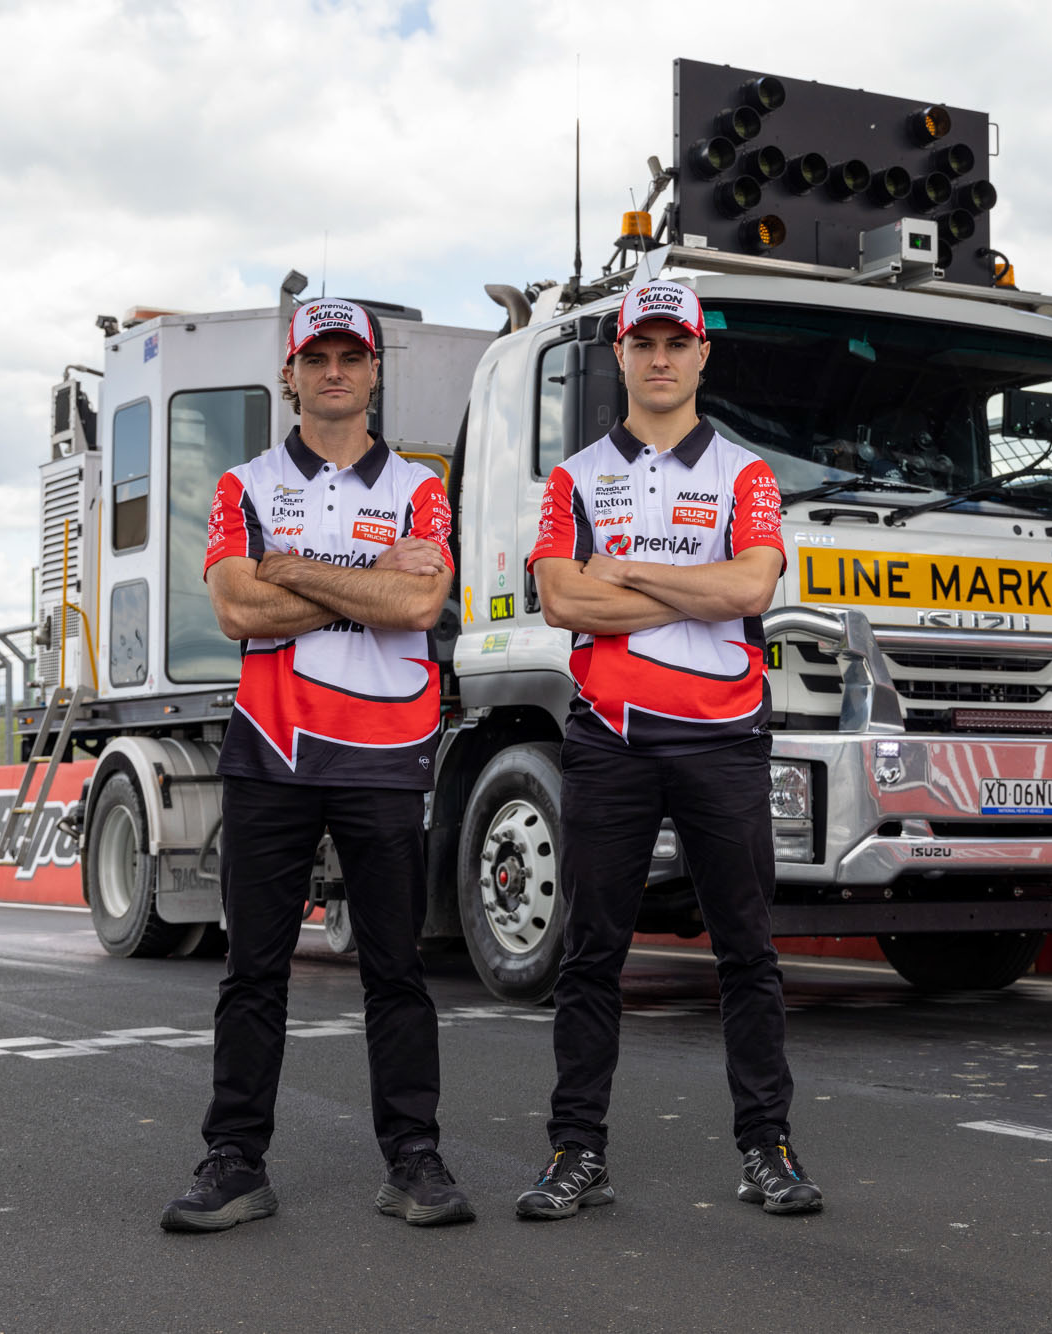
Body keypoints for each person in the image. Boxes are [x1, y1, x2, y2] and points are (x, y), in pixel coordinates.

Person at [161, 297, 471, 1232]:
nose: (334, 370)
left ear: (376, 372)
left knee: (396, 971)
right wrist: (369, 579)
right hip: (275, 752)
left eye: (350, 356)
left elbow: (420, 608)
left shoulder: (421, 487)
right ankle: (235, 1161)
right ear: (290, 375)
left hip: (385, 756)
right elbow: (235, 612)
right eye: (316, 357)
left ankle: (414, 1158)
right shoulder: (240, 484)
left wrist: (291, 565)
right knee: (253, 971)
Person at [517, 279, 822, 1218]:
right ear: (619, 355)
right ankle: (578, 1153)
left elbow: (752, 587)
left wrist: (632, 571)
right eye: (641, 343)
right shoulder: (571, 478)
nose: (658, 358)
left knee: (748, 952)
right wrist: (699, 582)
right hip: (609, 741)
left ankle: (766, 1149)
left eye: (674, 342)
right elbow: (565, 601)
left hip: (725, 740)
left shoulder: (746, 474)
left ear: (700, 356)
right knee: (591, 954)